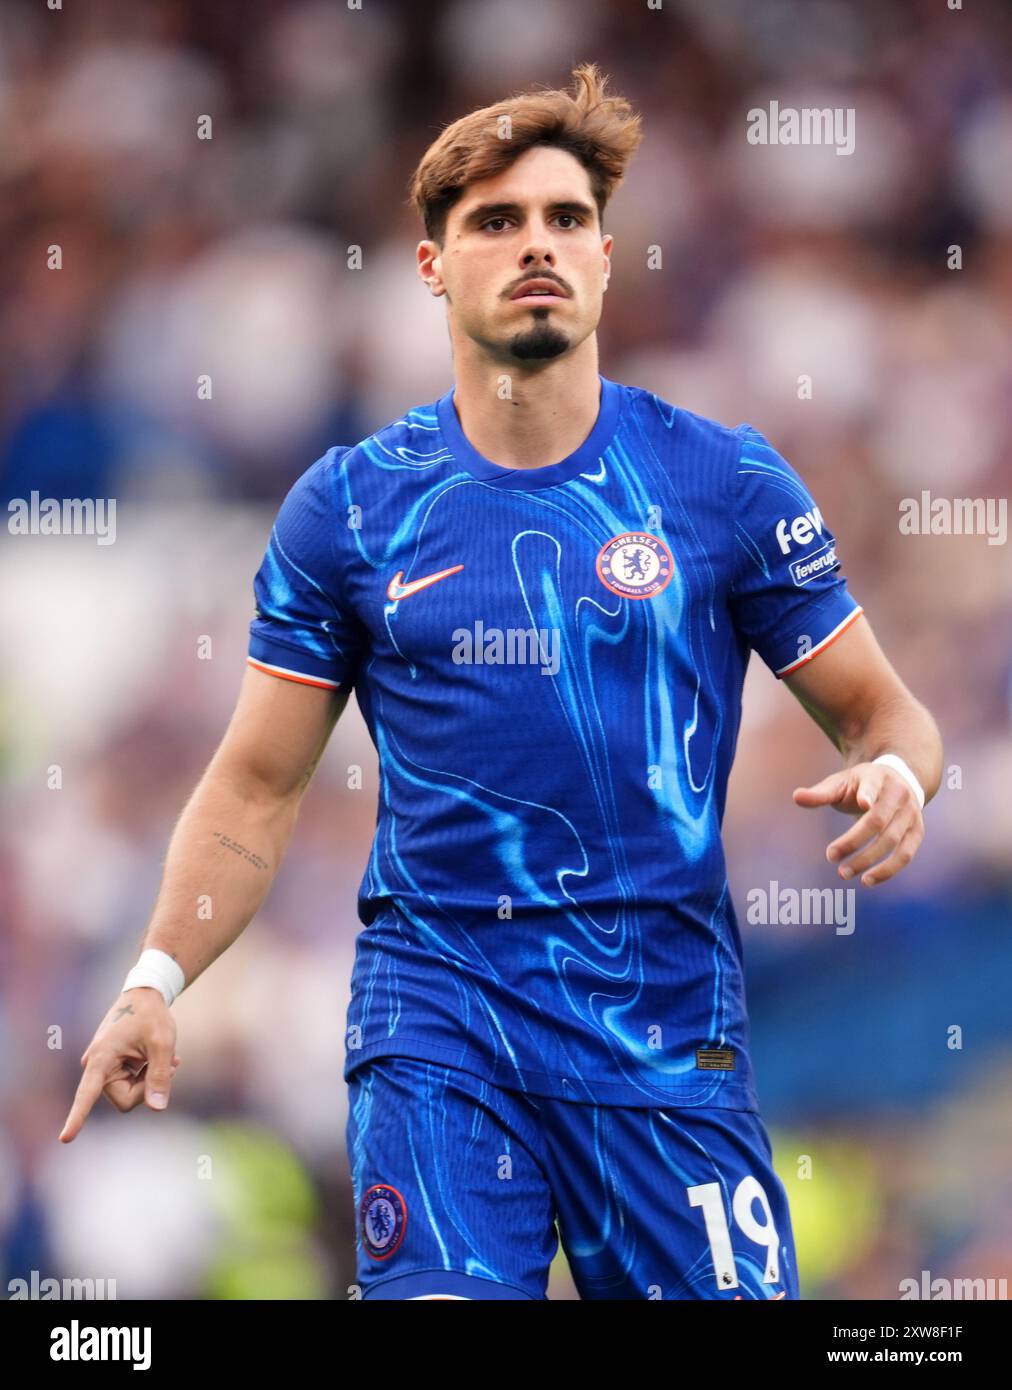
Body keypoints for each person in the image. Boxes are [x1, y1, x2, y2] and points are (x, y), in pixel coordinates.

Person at [60, 64, 943, 1301]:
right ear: (431, 266)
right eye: (495, 221)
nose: (536, 245)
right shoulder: (353, 508)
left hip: (662, 1033)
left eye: (565, 219)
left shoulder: (722, 485)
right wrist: (156, 980)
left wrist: (899, 773)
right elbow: (254, 787)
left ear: (606, 258)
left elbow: (882, 714)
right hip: (438, 1023)